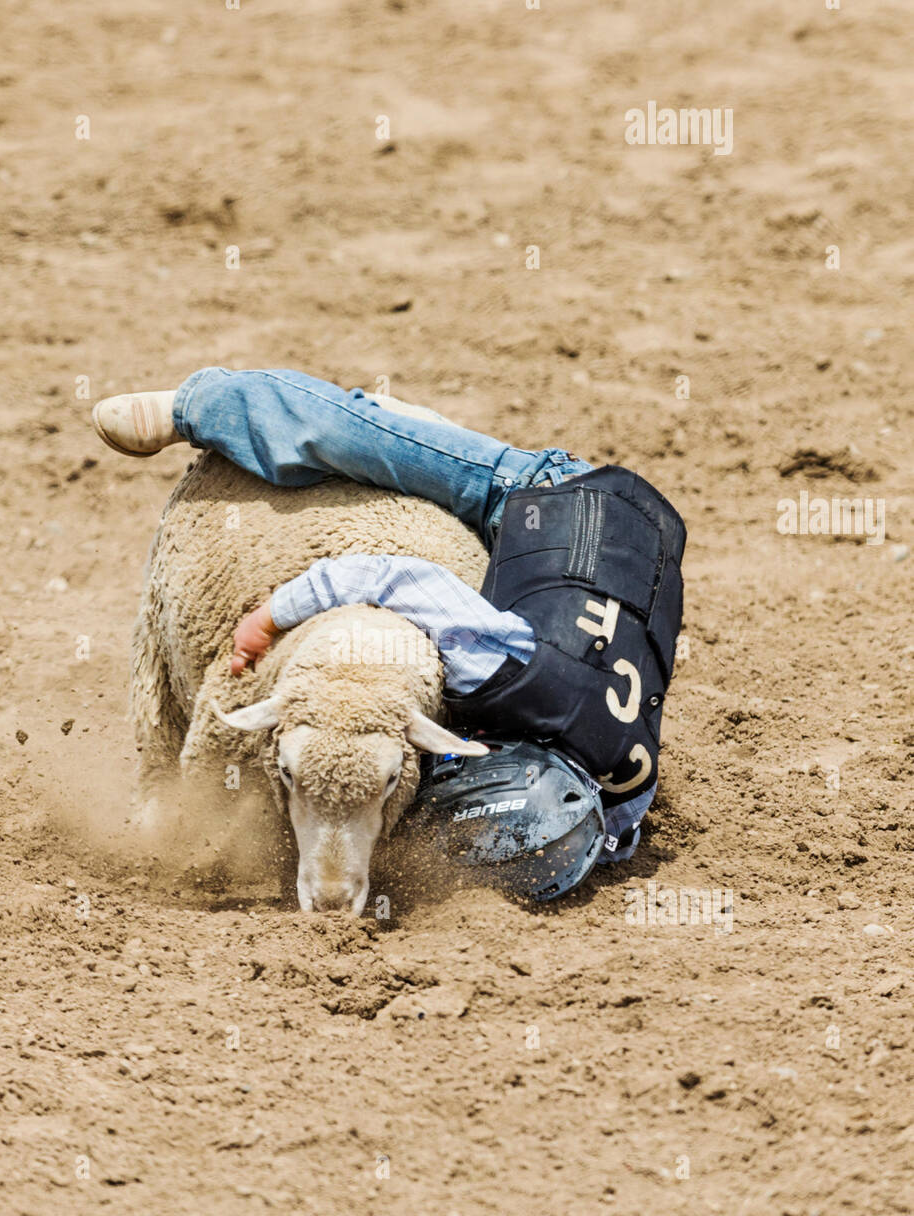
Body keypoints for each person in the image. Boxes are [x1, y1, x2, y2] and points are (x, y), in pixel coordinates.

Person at [93, 368, 686, 899]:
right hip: (544, 494)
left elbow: (604, 831)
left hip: (648, 541)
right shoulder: (499, 664)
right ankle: (197, 405)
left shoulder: (617, 790)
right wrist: (268, 619)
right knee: (341, 433)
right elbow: (389, 574)